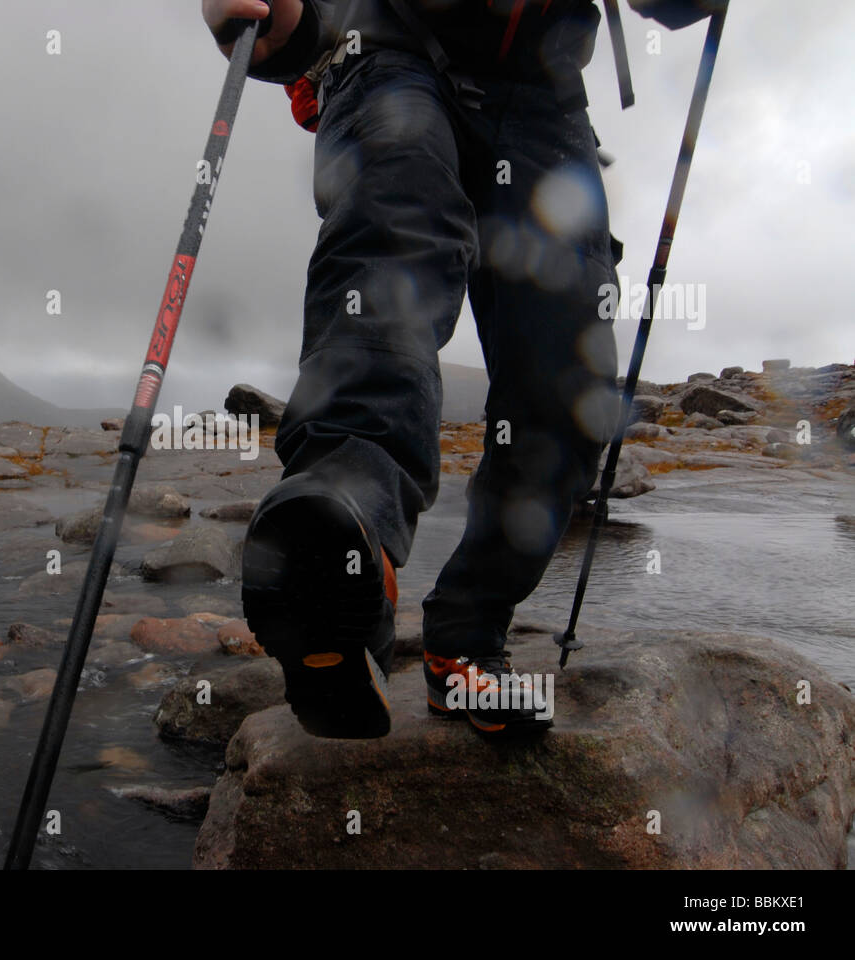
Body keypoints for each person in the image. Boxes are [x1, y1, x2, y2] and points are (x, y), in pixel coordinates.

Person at [202, 0, 726, 738]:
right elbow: (296, 23)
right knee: (395, 232)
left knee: (567, 386)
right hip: (387, 48)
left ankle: (466, 645)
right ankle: (342, 542)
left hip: (545, 99)